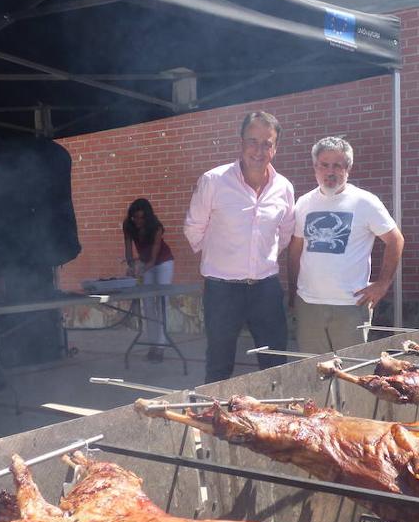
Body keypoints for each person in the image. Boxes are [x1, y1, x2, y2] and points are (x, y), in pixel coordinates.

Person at [184, 111, 295, 383]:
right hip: (222, 290)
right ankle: (216, 422)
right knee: (219, 366)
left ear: (275, 148)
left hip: (266, 289)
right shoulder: (214, 181)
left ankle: (276, 421)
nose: (259, 150)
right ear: (241, 142)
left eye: (267, 143)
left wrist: (260, 256)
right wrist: (218, 256)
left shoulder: (284, 188)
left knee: (275, 364)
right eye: (252, 141)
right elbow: (193, 227)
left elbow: (286, 232)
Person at [287, 136, 405, 353]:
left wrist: (383, 283)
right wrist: (293, 290)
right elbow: (295, 250)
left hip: (351, 307)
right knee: (312, 374)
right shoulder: (303, 203)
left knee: (351, 374)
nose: (330, 172)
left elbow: (395, 240)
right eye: (324, 165)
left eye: (337, 165)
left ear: (347, 168)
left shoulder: (364, 201)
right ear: (315, 167)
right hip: (308, 305)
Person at [122, 198, 174, 361]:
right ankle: (153, 344)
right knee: (148, 304)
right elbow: (129, 250)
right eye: (135, 217)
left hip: (163, 262)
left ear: (148, 217)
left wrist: (141, 270)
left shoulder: (156, 227)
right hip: (146, 264)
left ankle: (161, 346)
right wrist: (131, 265)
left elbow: (153, 258)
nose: (137, 221)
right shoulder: (128, 226)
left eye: (141, 218)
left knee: (161, 303)